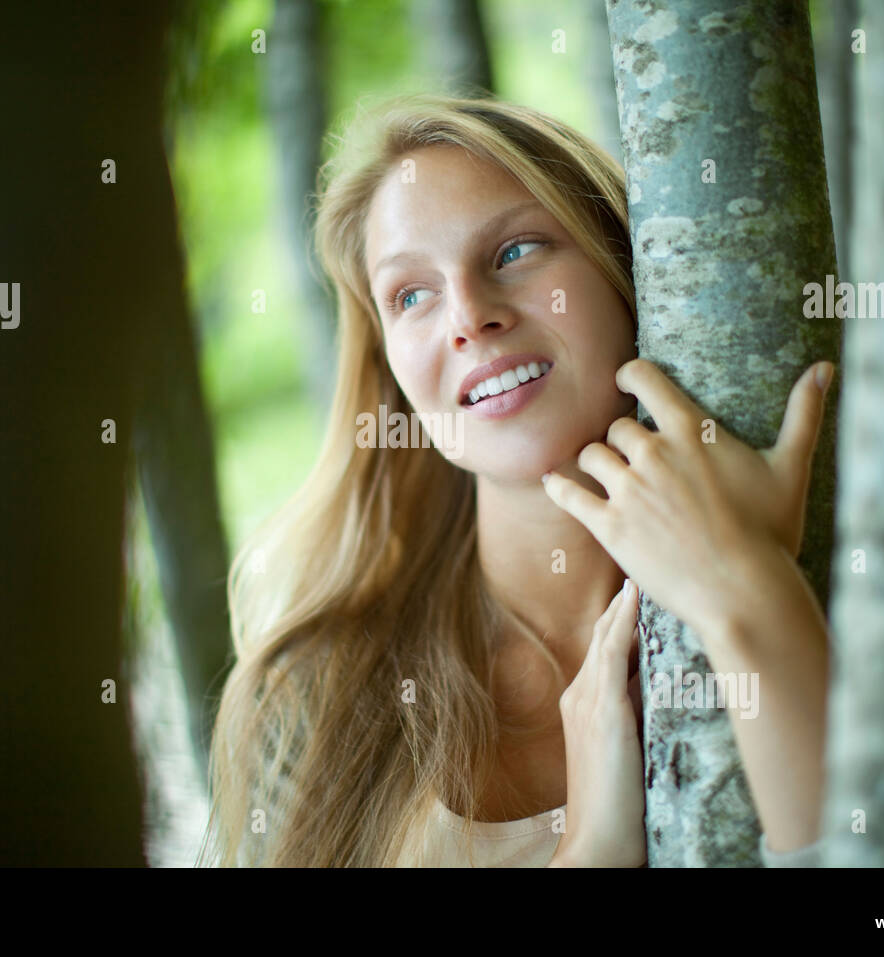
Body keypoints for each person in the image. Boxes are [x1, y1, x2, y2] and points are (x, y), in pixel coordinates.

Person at [197, 93, 833, 867]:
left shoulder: (852, 561)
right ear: (393, 369)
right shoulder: (313, 699)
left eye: (514, 252)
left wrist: (750, 594)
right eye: (411, 294)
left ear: (628, 269)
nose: (467, 316)